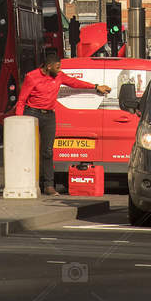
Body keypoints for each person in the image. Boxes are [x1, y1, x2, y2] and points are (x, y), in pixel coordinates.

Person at [13, 48, 111, 195]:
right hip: (32, 114)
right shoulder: (32, 77)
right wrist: (19, 122)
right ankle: (26, 182)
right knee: (28, 150)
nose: (60, 70)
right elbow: (21, 101)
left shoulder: (58, 75)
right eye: (58, 67)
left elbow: (74, 83)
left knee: (47, 151)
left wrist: (96, 87)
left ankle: (48, 185)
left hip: (49, 116)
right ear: (48, 67)